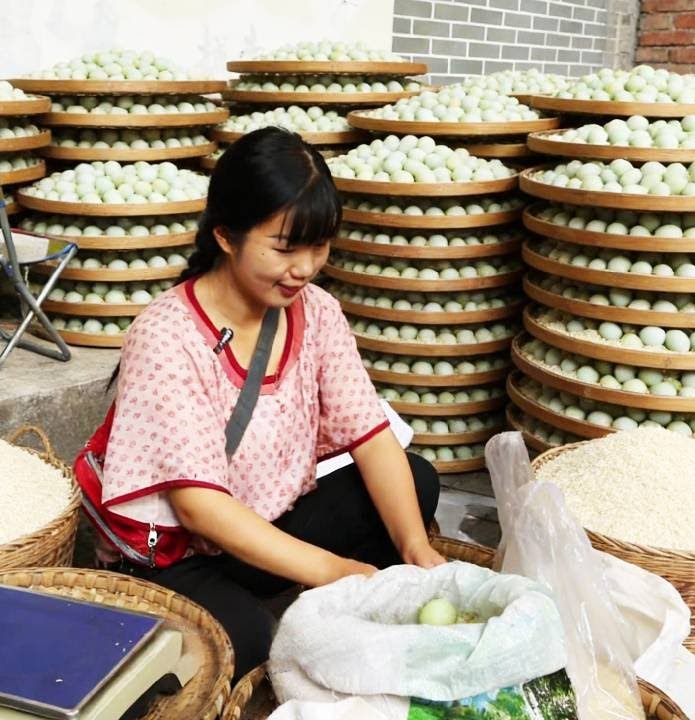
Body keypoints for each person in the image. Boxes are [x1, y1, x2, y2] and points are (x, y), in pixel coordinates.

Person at [75, 127, 445, 679]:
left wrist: (417, 551)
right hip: (181, 556)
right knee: (244, 641)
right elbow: (199, 507)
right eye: (284, 248)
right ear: (226, 236)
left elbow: (369, 433)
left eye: (318, 247)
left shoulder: (316, 311)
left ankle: (366, 626)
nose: (304, 268)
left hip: (264, 528)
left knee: (413, 481)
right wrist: (334, 569)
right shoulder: (166, 334)